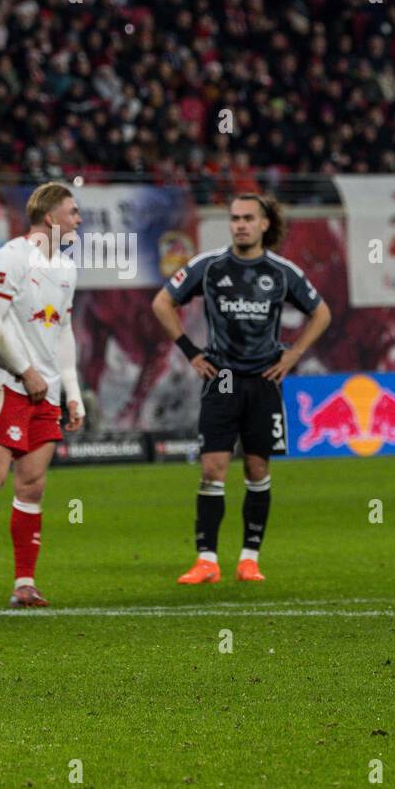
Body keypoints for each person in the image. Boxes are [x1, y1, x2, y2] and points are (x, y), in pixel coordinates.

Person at [152, 194, 331, 584]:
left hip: (265, 380)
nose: (240, 225)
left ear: (265, 224)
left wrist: (293, 354)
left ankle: (249, 558)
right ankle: (207, 560)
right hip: (223, 379)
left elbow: (322, 312)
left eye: (248, 218)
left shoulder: (281, 272)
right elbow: (163, 303)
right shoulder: (209, 266)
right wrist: (190, 352)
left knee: (256, 468)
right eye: (234, 218)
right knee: (212, 468)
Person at [0, 183, 85, 609]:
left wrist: (73, 393)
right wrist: (25, 372)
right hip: (5, 382)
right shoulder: (11, 257)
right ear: (51, 218)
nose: (78, 219)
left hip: (46, 391)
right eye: (73, 212)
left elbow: (61, 331)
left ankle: (24, 584)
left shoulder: (65, 268)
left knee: (32, 487)